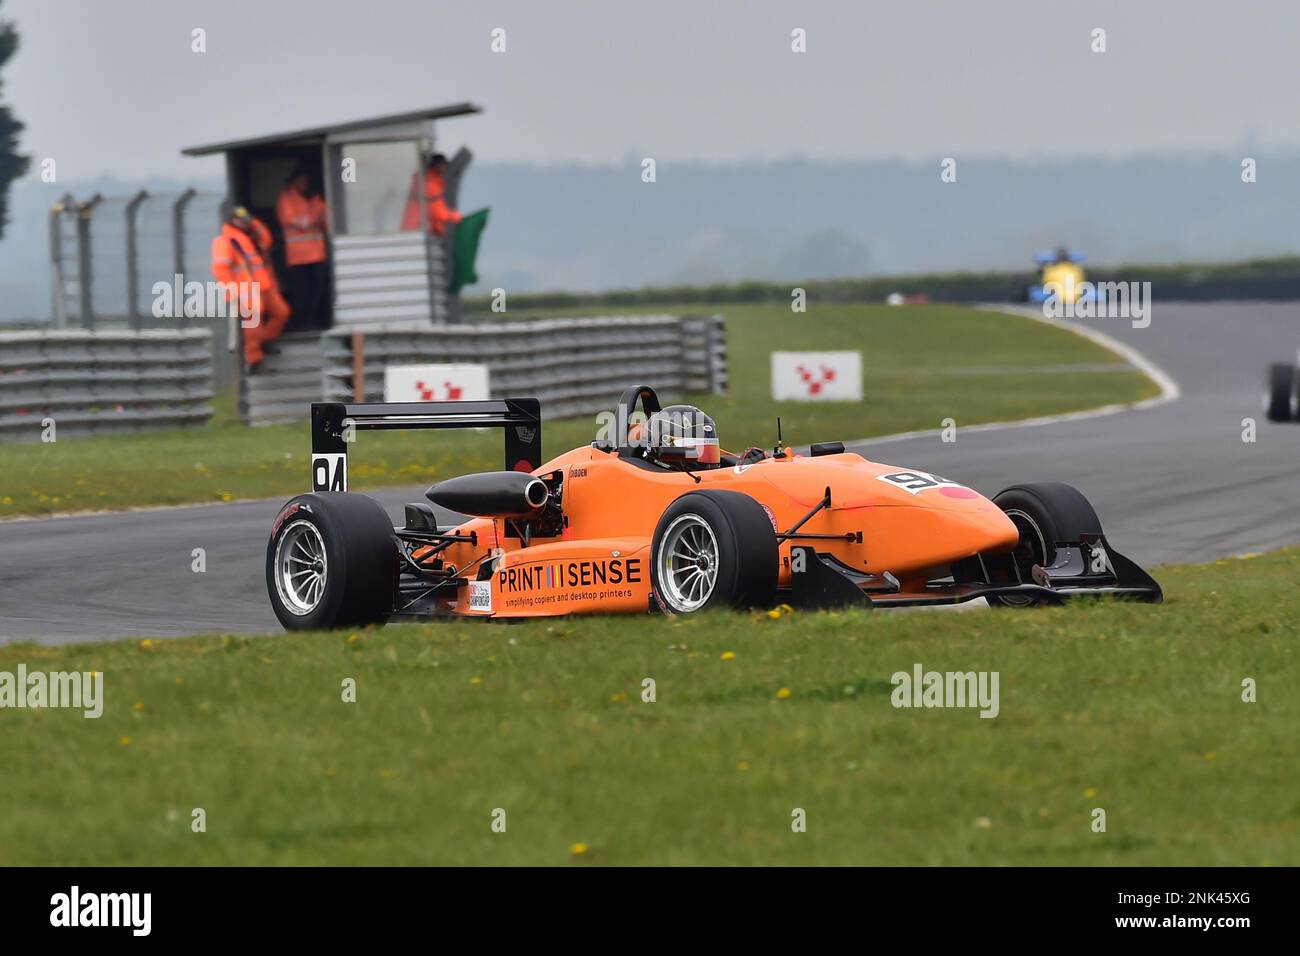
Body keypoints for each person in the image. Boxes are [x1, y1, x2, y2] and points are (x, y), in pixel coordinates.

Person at [211, 201, 291, 370]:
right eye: (242, 220)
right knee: (253, 325)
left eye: (246, 220)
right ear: (231, 220)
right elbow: (221, 270)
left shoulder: (250, 236)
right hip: (246, 290)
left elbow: (267, 239)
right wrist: (232, 292)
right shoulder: (225, 241)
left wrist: (252, 222)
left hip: (264, 285)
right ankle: (255, 360)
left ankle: (265, 341)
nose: (245, 223)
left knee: (282, 313)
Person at [276, 167, 329, 330]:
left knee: (318, 291)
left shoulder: (315, 198)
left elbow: (328, 219)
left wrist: (314, 219)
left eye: (306, 181)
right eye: (301, 180)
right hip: (298, 257)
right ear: (294, 181)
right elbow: (295, 220)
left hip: (317, 255)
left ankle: (314, 321)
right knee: (301, 293)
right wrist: (314, 219)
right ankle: (300, 323)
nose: (304, 184)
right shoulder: (286, 198)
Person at [400, 152, 463, 235]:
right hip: (415, 229)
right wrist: (454, 216)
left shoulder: (427, 180)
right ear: (437, 166)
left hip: (415, 228)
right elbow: (437, 213)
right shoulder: (429, 183)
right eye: (443, 165)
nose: (445, 168)